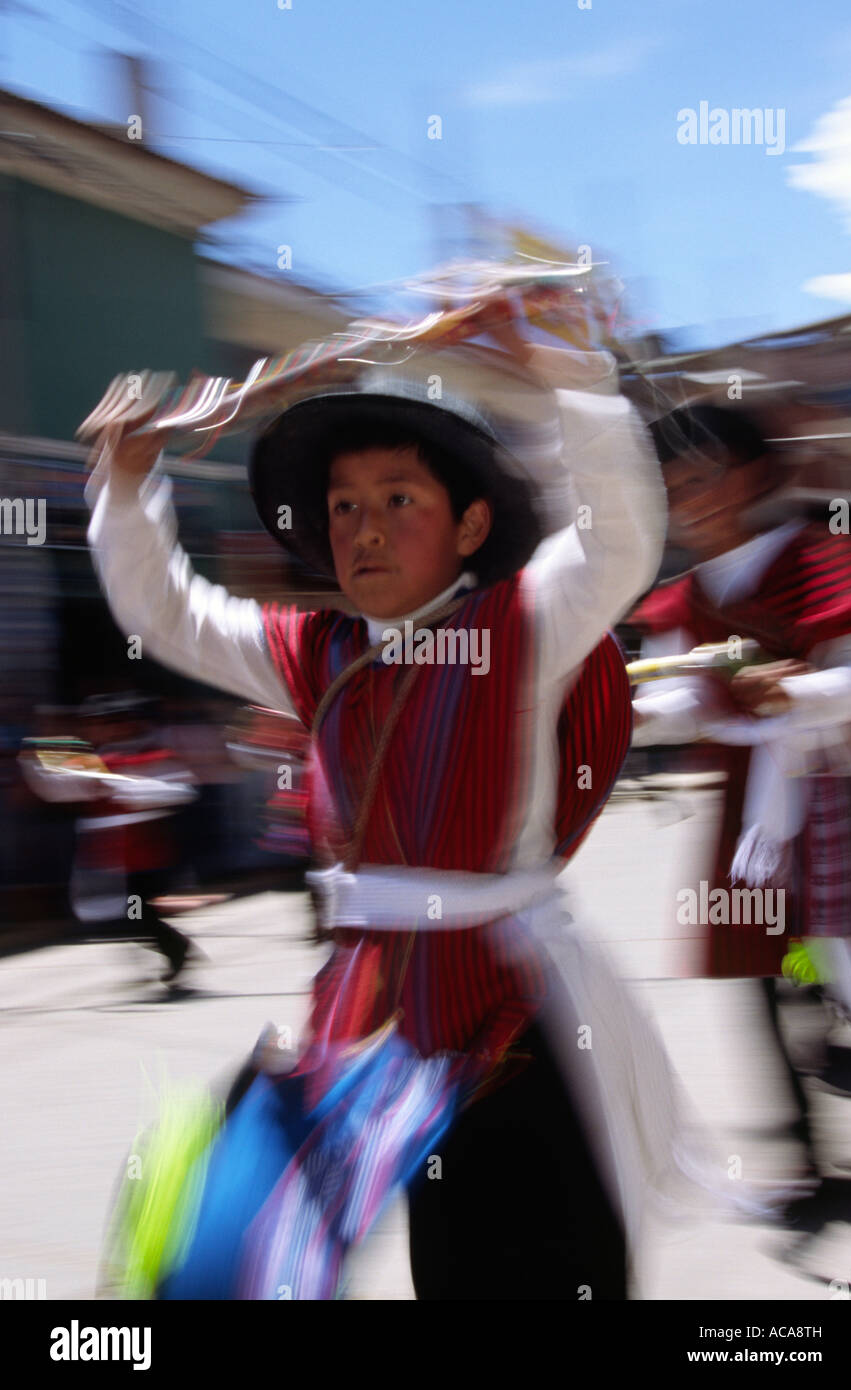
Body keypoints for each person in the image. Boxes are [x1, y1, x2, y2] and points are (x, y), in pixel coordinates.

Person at [85, 298, 671, 1300]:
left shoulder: (522, 625)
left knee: (538, 1259)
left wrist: (569, 377)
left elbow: (615, 543)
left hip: (506, 1022)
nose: (364, 528)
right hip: (362, 1025)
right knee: (388, 1262)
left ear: (470, 524)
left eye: (399, 499)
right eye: (345, 506)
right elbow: (168, 615)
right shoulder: (314, 652)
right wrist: (128, 482)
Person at [630, 403, 851, 1176]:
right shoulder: (685, 597)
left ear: (755, 476)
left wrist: (799, 695)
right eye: (674, 489)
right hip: (749, 820)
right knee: (762, 972)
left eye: (703, 479)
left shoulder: (819, 558)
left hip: (839, 796)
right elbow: (676, 699)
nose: (691, 502)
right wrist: (617, 714)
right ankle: (802, 1152)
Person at [19, 693, 198, 985]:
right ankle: (173, 950)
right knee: (122, 917)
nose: (99, 730)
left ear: (126, 725)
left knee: (138, 915)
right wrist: (32, 759)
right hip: (112, 859)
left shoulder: (154, 755)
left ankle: (177, 949)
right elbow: (55, 787)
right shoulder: (91, 761)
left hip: (149, 857)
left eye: (106, 723)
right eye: (95, 724)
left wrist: (128, 790)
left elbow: (181, 791)